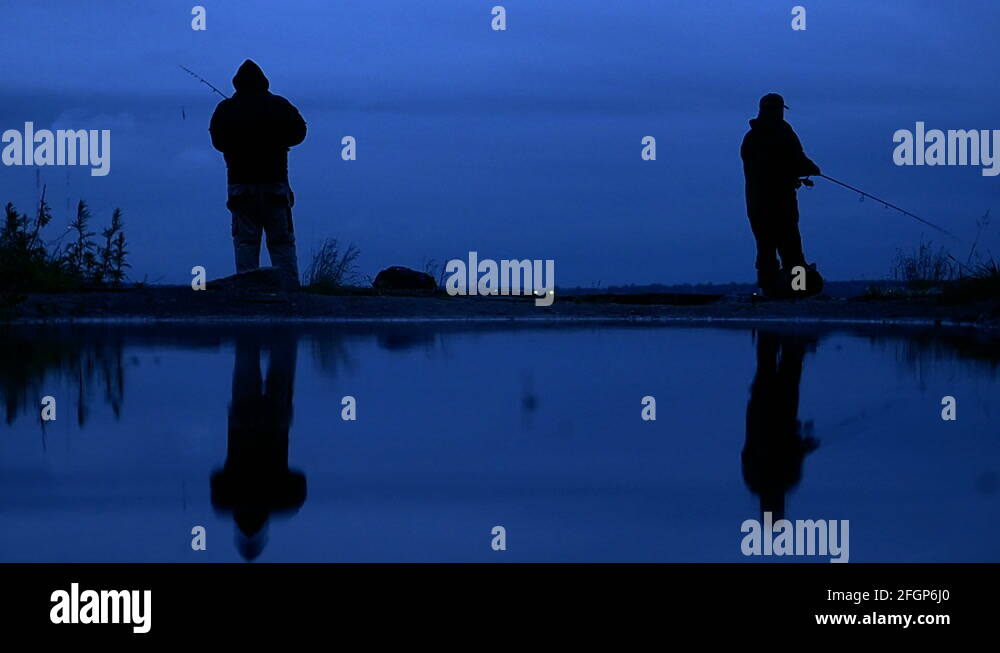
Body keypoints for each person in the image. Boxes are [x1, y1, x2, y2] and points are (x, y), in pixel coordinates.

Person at [209, 60, 307, 285]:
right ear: (264, 82)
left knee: (246, 242)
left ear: (236, 84)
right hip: (275, 184)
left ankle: (247, 289)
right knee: (281, 242)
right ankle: (288, 289)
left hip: (240, 186)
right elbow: (300, 132)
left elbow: (217, 141)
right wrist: (277, 139)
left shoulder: (225, 109)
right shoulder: (279, 105)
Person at [740, 93, 821, 291]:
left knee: (772, 245)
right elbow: (793, 161)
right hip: (773, 201)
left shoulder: (753, 137)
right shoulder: (779, 134)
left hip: (762, 202)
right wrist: (808, 169)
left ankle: (779, 288)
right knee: (785, 244)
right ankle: (790, 288)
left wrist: (805, 168)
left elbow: (795, 160)